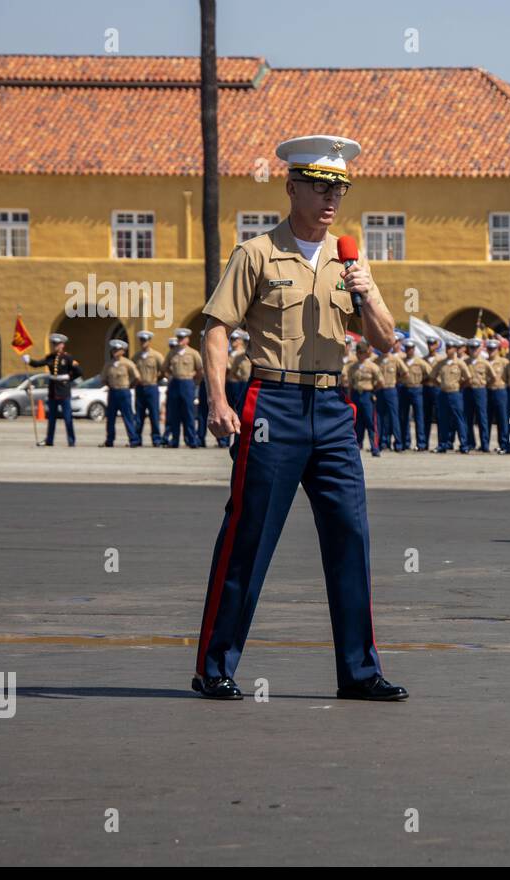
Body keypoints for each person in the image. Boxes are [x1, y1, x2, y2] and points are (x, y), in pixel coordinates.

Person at [194, 132, 406, 702]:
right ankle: (215, 665)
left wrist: (367, 294)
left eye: (339, 187)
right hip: (274, 405)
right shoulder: (257, 254)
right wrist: (217, 400)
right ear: (291, 187)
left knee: (351, 537)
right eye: (318, 186)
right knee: (249, 536)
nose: (330, 198)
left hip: (334, 408)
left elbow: (386, 342)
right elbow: (216, 327)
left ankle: (359, 673)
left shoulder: (349, 261)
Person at [22, 333, 81, 447]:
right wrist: (29, 360)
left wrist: (68, 378)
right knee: (51, 418)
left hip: (64, 391)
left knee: (67, 418)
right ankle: (49, 440)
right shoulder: (50, 357)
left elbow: (79, 371)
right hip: (53, 391)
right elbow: (38, 364)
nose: (55, 346)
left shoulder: (67, 358)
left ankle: (71, 441)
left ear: (63, 345)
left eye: (58, 344)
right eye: (54, 344)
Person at [164, 327, 203, 448]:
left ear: (187, 339)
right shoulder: (172, 352)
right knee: (174, 413)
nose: (180, 340)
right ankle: (174, 440)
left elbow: (200, 369)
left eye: (182, 338)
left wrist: (194, 380)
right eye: (179, 338)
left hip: (187, 383)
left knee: (188, 413)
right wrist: (170, 377)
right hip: (175, 382)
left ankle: (191, 440)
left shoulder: (193, 353)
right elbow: (165, 367)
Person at [99, 339, 142, 447]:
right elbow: (103, 378)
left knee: (128, 417)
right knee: (111, 418)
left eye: (117, 349)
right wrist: (110, 385)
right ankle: (109, 440)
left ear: (123, 351)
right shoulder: (108, 364)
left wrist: (131, 385)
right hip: (113, 392)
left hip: (124, 391)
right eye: (113, 349)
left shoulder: (127, 363)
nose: (115, 351)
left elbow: (137, 377)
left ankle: (133, 440)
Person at [434, 337, 471, 453]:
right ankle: (443, 444)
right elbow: (432, 376)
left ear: (455, 349)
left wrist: (460, 386)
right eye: (447, 347)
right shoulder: (441, 363)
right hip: (443, 393)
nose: (447, 350)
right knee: (443, 420)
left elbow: (469, 378)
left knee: (459, 420)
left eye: (450, 348)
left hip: (455, 393)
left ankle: (464, 445)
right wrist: (440, 385)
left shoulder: (460, 363)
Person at [348, 340, 383, 457]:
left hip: (367, 395)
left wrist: (373, 391)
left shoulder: (372, 366)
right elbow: (350, 383)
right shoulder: (352, 366)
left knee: (371, 422)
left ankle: (375, 447)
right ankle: (357, 446)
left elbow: (380, 382)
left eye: (362, 352)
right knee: (357, 422)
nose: (360, 354)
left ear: (366, 353)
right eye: (358, 352)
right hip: (356, 395)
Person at [133, 330, 166, 447]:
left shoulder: (156, 355)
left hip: (152, 387)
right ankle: (136, 439)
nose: (143, 342)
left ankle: (156, 439)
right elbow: (133, 372)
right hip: (140, 388)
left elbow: (163, 370)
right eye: (141, 340)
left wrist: (156, 379)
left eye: (145, 340)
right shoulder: (136, 356)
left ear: (149, 341)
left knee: (154, 414)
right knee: (139, 415)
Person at [220, 329, 252, 450]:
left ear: (240, 341)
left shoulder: (244, 354)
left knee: (241, 413)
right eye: (231, 339)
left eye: (235, 339)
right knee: (227, 411)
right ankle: (225, 439)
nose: (232, 341)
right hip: (230, 384)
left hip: (241, 384)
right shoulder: (229, 354)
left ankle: (239, 439)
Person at [397, 338, 431, 451]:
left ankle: (421, 443)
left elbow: (430, 373)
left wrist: (422, 381)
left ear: (414, 349)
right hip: (404, 389)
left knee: (419, 417)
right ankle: (405, 442)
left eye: (410, 348)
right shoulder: (401, 361)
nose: (409, 350)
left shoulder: (420, 362)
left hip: (417, 389)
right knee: (404, 417)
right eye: (407, 348)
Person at [376, 333, 404, 452]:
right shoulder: (377, 360)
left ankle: (398, 443)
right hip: (380, 390)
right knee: (381, 417)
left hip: (391, 389)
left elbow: (404, 372)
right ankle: (383, 442)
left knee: (394, 416)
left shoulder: (395, 359)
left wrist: (396, 381)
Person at [464, 337, 493, 452]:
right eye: (471, 348)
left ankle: (484, 444)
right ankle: (471, 443)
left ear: (480, 349)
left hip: (480, 390)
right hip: (468, 390)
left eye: (476, 348)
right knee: (468, 418)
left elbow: (493, 377)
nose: (473, 350)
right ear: (468, 349)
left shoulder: (484, 362)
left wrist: (484, 384)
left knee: (482, 418)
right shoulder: (465, 362)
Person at [488, 337, 510, 453]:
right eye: (489, 348)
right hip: (488, 391)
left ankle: (504, 443)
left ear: (497, 349)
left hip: (500, 391)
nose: (491, 350)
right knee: (487, 419)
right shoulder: (484, 361)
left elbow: (509, 377)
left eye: (493, 348)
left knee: (502, 419)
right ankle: (485, 444)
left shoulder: (504, 362)